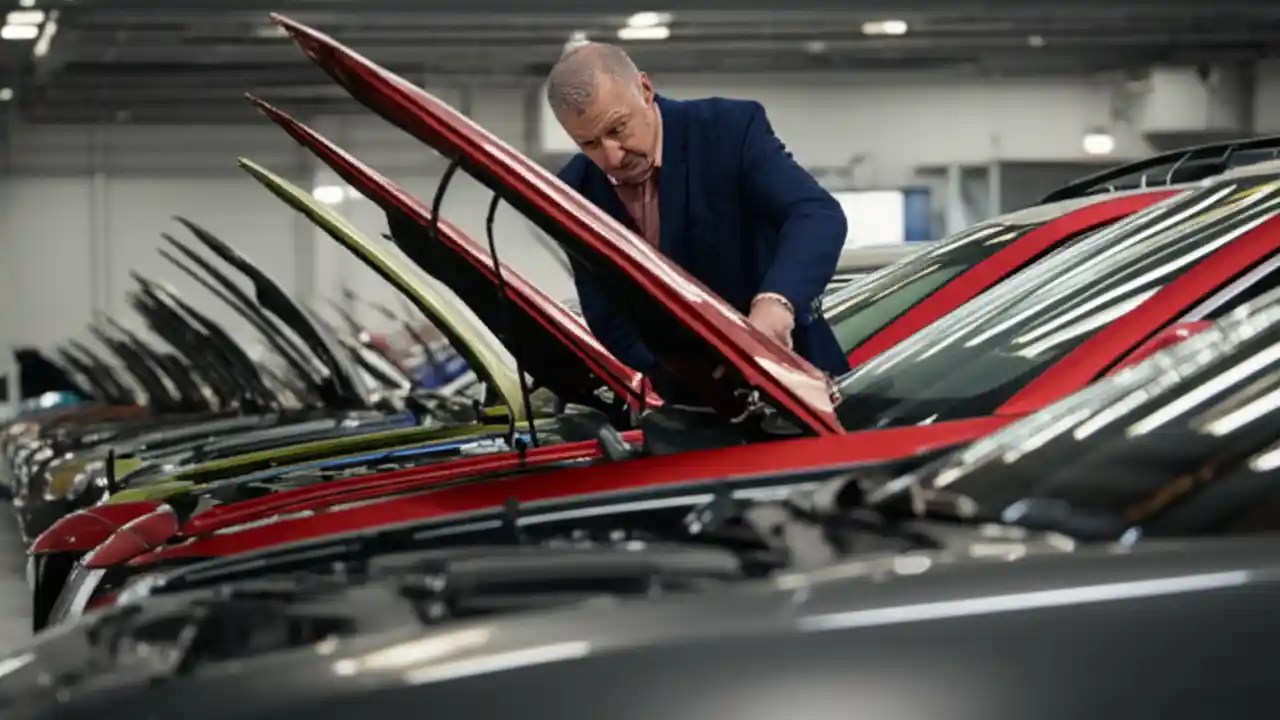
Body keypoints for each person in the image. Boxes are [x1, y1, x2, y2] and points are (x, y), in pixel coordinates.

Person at [547, 42, 850, 390]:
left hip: (797, 378)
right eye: (589, 145)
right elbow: (607, 314)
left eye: (617, 129)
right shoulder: (575, 189)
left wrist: (776, 302)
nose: (612, 157)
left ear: (645, 90)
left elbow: (815, 214)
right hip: (690, 404)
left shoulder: (727, 131)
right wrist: (679, 376)